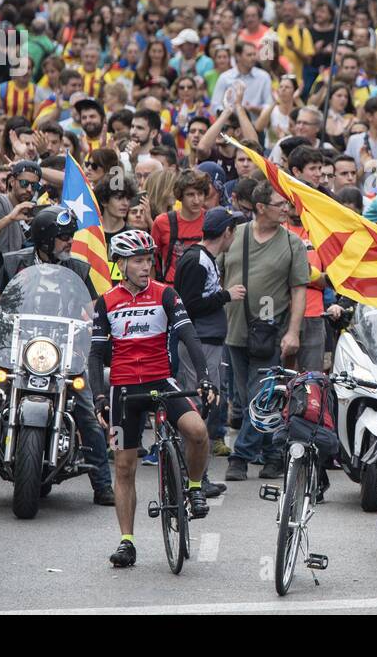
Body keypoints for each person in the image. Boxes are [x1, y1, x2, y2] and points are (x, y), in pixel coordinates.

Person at [0, 205, 115, 506]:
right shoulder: (15, 265)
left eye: (69, 236)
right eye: (63, 237)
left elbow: (93, 310)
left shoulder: (77, 269)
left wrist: (101, 322)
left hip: (63, 354)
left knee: (87, 412)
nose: (68, 242)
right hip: (18, 352)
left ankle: (103, 485)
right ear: (44, 238)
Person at [91, 230, 217, 568]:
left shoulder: (167, 295)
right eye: (138, 261)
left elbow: (190, 337)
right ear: (121, 264)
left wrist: (204, 377)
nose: (146, 266)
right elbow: (95, 355)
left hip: (162, 381)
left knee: (198, 431)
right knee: (123, 466)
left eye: (148, 260)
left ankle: (192, 487)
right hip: (124, 390)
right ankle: (127, 542)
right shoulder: (106, 302)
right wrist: (99, 397)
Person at [221, 181, 310, 483]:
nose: (286, 209)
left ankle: (240, 456)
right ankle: (273, 454)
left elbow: (299, 290)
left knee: (261, 394)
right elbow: (219, 272)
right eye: (279, 204)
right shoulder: (237, 234)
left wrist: (293, 332)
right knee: (248, 398)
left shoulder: (292, 243)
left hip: (270, 331)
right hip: (234, 329)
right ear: (260, 208)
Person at [174, 207, 248, 475]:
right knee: (199, 405)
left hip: (208, 341)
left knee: (206, 404)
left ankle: (196, 474)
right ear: (226, 232)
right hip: (200, 343)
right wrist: (226, 296)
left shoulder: (205, 258)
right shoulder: (197, 260)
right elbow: (189, 305)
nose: (234, 237)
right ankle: (191, 475)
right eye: (233, 231)